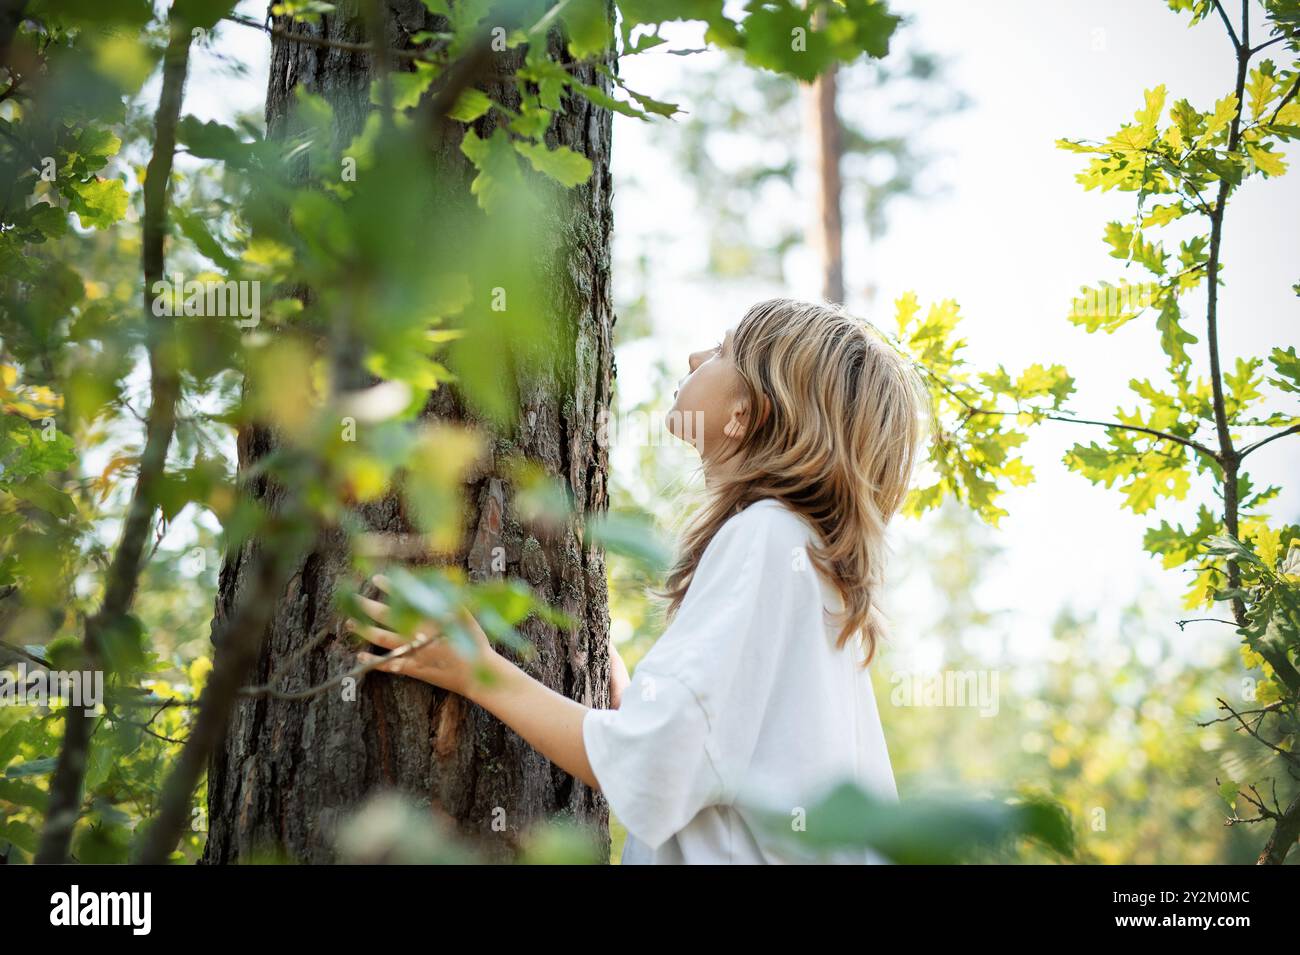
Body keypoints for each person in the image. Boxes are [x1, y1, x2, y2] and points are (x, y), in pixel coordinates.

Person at [347, 297, 932, 863]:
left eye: (725, 348)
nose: (695, 357)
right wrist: (631, 702)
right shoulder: (808, 562)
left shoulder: (769, 537)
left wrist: (474, 669)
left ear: (746, 414)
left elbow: (655, 765)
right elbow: (709, 754)